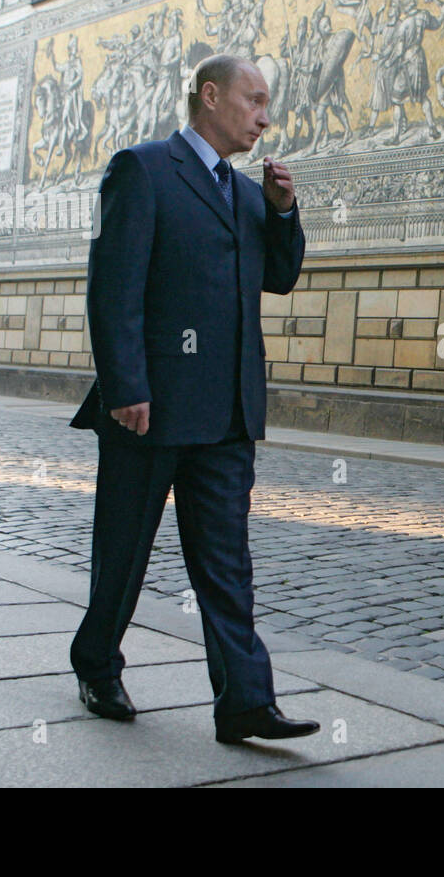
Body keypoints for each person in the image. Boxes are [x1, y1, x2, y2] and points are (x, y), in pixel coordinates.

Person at [68, 54, 317, 744]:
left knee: (227, 562)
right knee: (124, 551)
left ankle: (244, 699)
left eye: (268, 103)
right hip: (148, 408)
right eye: (254, 100)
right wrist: (125, 386)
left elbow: (280, 276)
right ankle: (96, 663)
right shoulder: (143, 170)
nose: (265, 116)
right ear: (211, 97)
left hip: (227, 412)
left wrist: (284, 211)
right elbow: (113, 287)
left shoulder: (247, 193)